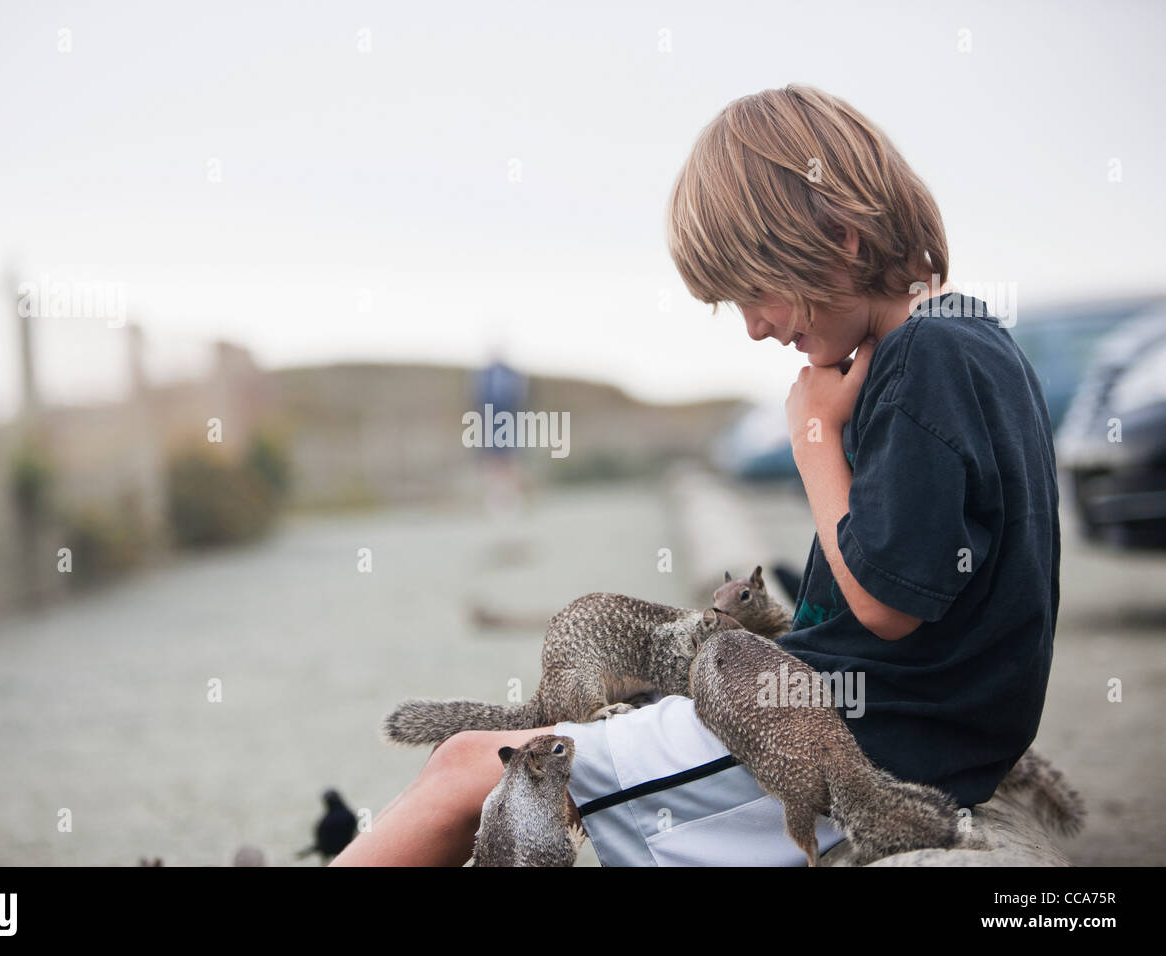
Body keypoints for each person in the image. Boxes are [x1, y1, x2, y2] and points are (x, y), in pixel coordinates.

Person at [331, 84, 1059, 867]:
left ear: (841, 236)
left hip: (863, 738)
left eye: (755, 291)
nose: (752, 326)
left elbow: (885, 606)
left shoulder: (928, 357)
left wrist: (814, 440)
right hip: (870, 720)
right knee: (472, 762)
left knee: (467, 770)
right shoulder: (962, 340)